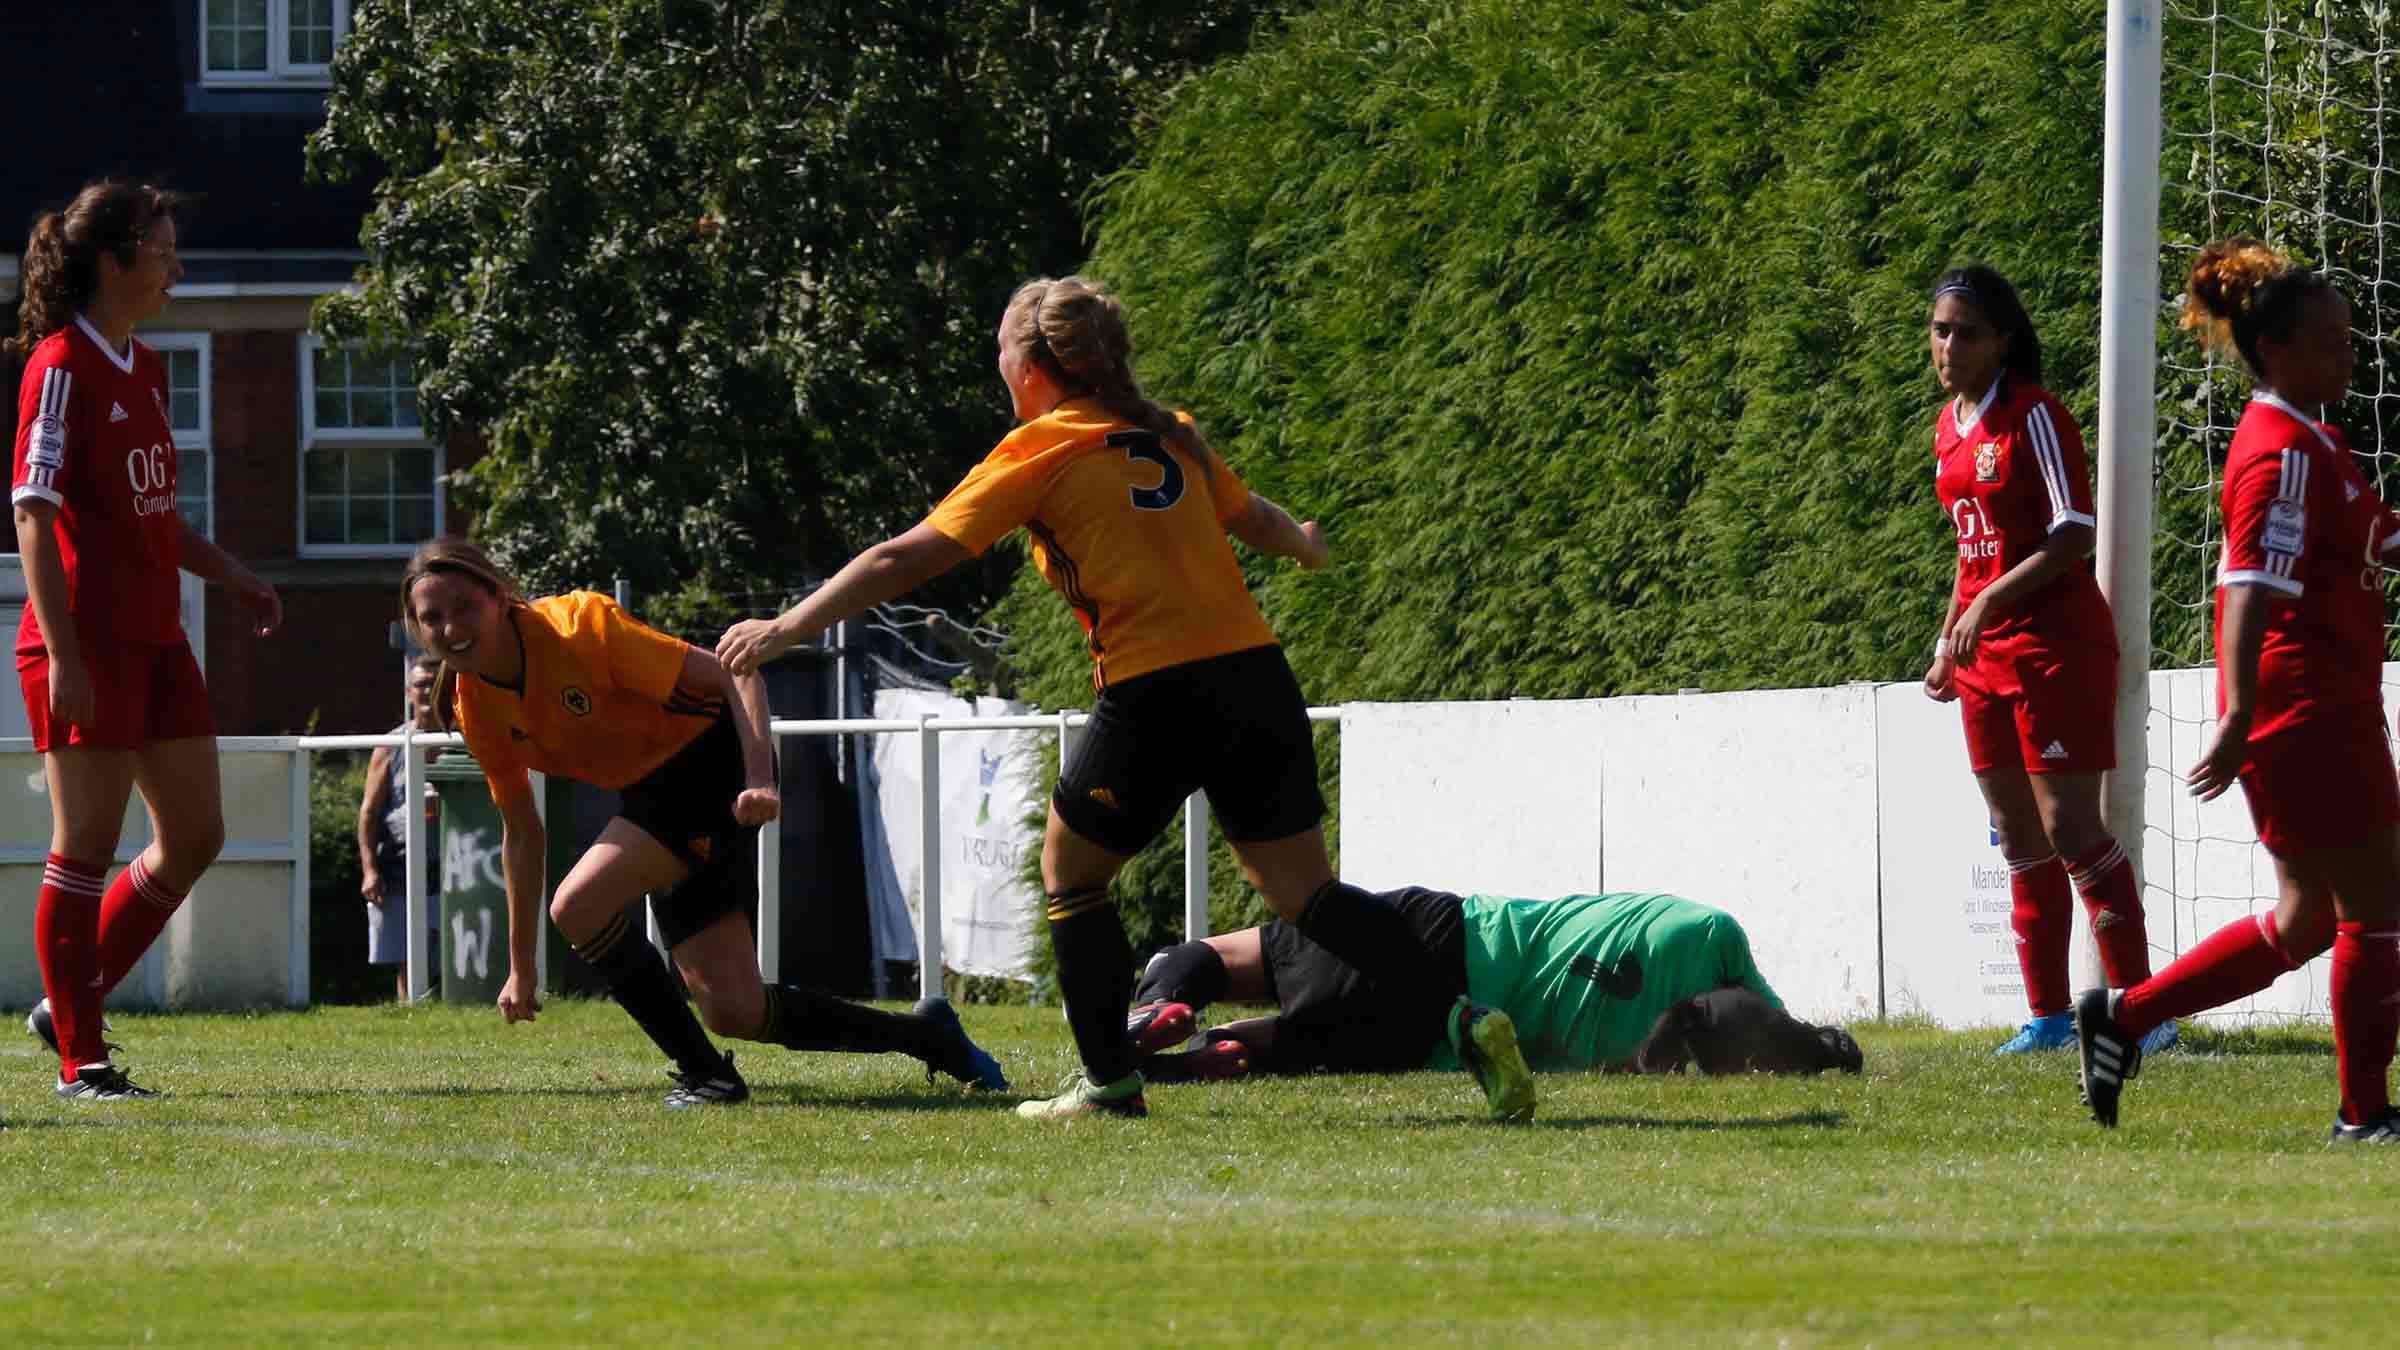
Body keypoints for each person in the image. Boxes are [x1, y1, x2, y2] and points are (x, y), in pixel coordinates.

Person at [717, 275, 1538, 1123]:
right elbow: (1254, 517)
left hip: (1158, 690)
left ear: (1033, 366)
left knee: (1071, 876)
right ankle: (1467, 1019)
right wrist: (1303, 544)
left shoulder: (1039, 449)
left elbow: (905, 557)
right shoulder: (1170, 432)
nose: (997, 365)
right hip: (1257, 679)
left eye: (999, 348)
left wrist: (787, 626)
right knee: (1308, 896)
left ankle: (1109, 1083)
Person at [401, 537, 1006, 1107]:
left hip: (711, 763)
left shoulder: (580, 628)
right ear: (416, 629)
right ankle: (926, 1036)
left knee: (577, 905)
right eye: (432, 618)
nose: (450, 628)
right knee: (736, 1011)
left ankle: (706, 1075)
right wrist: (521, 968)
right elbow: (522, 832)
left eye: (464, 607)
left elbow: (734, 671)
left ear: (500, 597)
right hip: (652, 794)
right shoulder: (472, 705)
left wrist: (760, 777)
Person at [2076, 239, 2400, 1142]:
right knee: (2378, 909)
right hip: (2310, 712)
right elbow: (2248, 584)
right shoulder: (2282, 450)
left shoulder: (2314, 441)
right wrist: (2239, 716)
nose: (2349, 357)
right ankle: (2363, 1116)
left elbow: (2376, 538)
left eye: (2349, 340)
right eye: (2331, 343)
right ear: (2275, 352)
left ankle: (2126, 1014)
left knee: (2307, 921)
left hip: (2318, 707)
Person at [11, 179, 282, 1101]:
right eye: (162, 252)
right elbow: (34, 516)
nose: (176, 268)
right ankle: (82, 1061)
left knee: (197, 834)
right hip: (83, 645)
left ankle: (66, 1003)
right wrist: (66, 656)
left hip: (159, 641)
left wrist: (231, 572)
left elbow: (153, 516)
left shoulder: (148, 367)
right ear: (114, 259)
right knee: (84, 844)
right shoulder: (58, 365)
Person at [1918, 265, 2163, 1055]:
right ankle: (2050, 1019)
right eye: (1940, 330)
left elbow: (2074, 532)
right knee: (2014, 831)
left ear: (2003, 341)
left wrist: (1991, 603)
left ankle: (2141, 1011)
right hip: (1982, 656)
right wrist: (1949, 641)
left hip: (2054, 647)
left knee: (2071, 827)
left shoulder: (2035, 415)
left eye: (1966, 333)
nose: (1949, 346)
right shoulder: (1949, 427)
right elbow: (1970, 553)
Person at [1122, 889, 1860, 1082]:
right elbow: (1778, 1030)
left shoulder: (1709, 927)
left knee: (1216, 955)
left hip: (1451, 929)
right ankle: (1202, 1056)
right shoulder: (1636, 1053)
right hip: (1441, 1030)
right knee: (1281, 1045)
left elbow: (1772, 1020)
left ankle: (1160, 1003)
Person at [358, 654, 445, 1001]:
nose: (427, 691)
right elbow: (369, 812)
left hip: (454, 867)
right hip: (400, 865)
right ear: (409, 691)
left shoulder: (468, 738)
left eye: (434, 684)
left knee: (453, 948)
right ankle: (410, 1012)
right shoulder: (391, 745)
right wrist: (369, 870)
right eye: (420, 684)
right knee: (407, 954)